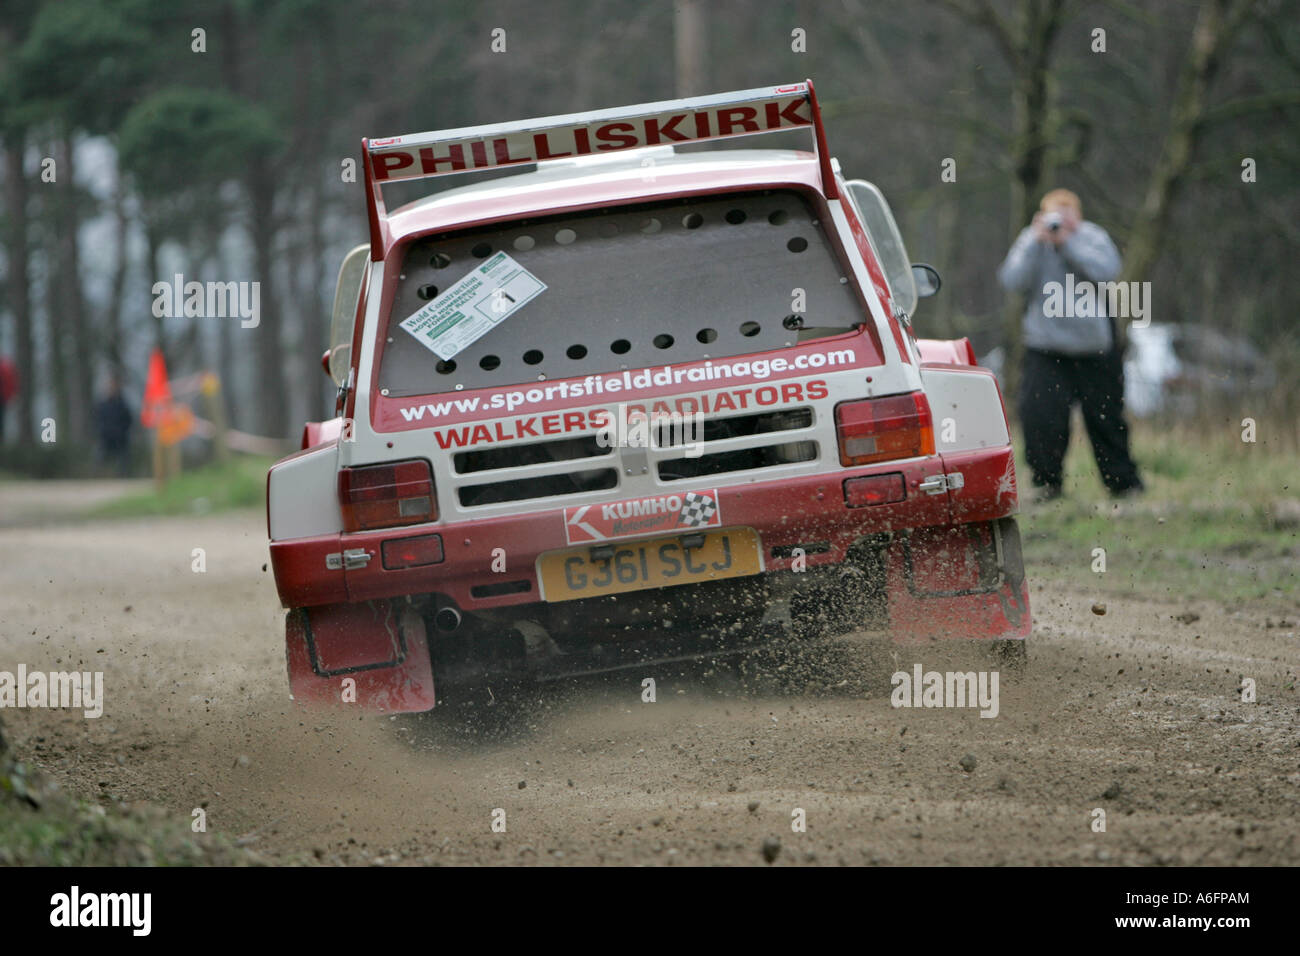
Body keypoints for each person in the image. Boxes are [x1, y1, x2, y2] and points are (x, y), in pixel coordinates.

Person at [997, 188, 1143, 501]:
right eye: (1054, 215)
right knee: (1041, 418)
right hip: (1045, 350)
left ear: (1078, 215)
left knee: (1106, 419)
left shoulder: (1092, 237)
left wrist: (1067, 243)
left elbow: (1107, 273)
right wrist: (1037, 242)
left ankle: (1123, 484)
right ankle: (1046, 484)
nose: (1059, 222)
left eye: (1067, 215)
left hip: (1095, 349)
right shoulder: (1031, 240)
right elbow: (1012, 280)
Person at [94, 375, 134, 476]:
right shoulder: (102, 404)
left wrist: (122, 430)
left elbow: (128, 419)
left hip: (120, 437)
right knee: (100, 456)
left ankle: (122, 475)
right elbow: (97, 419)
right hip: (106, 436)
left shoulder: (122, 404)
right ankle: (99, 475)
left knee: (123, 458)